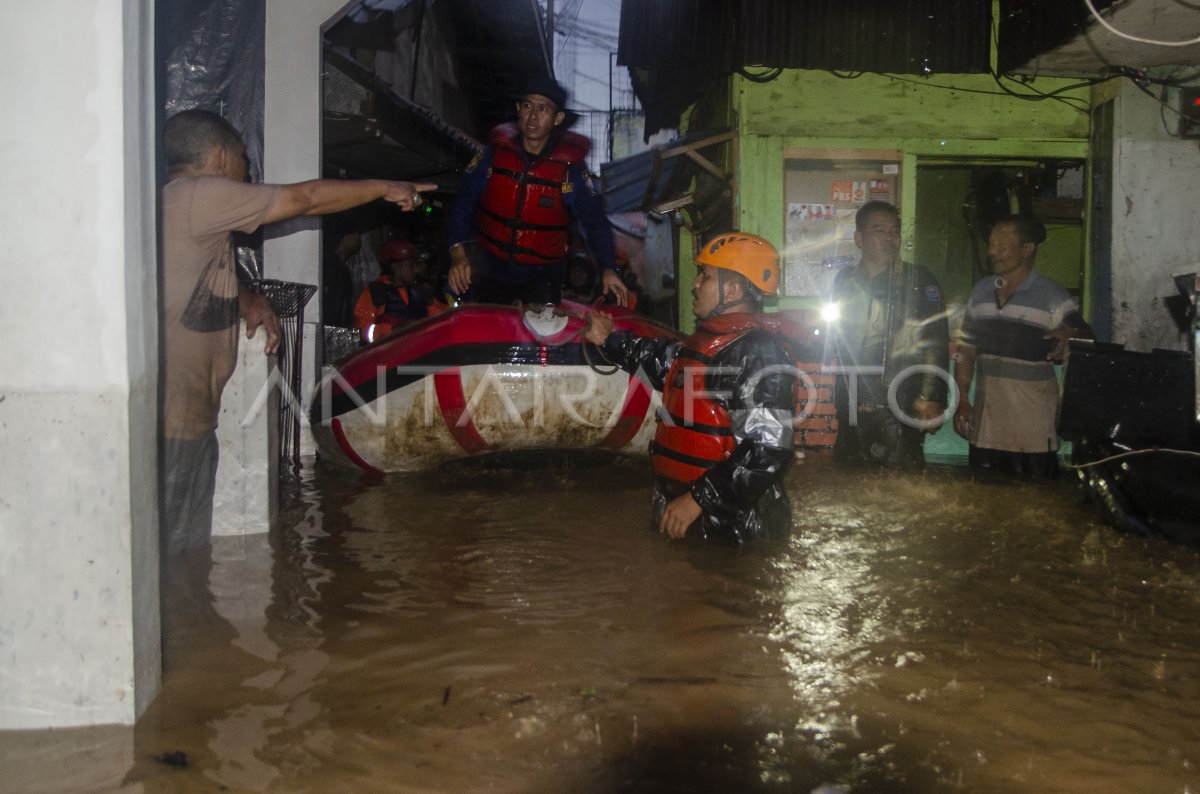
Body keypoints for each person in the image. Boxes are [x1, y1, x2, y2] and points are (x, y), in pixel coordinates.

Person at [161, 108, 433, 554]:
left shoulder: (185, 208)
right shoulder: (199, 194)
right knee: (174, 558)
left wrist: (249, 298)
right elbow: (304, 199)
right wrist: (386, 187)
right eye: (241, 155)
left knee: (187, 561)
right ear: (217, 156)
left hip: (190, 422)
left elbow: (194, 281)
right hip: (173, 424)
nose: (247, 168)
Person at [586, 232, 807, 545]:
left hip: (736, 527)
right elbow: (656, 358)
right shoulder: (706, 345)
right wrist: (609, 339)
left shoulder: (760, 353)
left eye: (705, 276)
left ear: (731, 289)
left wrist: (698, 499)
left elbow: (767, 448)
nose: (695, 284)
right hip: (691, 514)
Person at [447, 76, 628, 307]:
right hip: (489, 267)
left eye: (543, 109)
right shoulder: (492, 156)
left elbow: (594, 222)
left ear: (557, 118)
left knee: (543, 338)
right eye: (527, 105)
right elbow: (463, 202)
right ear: (518, 110)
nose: (533, 116)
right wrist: (458, 252)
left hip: (542, 275)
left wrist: (608, 268)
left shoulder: (571, 170)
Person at [952, 215, 1093, 477]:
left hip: (1034, 431)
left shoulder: (1051, 293)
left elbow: (1088, 336)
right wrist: (962, 401)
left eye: (1002, 244)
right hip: (986, 428)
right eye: (991, 244)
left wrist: (1069, 333)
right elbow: (966, 350)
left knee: (1034, 504)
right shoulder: (981, 291)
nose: (992, 251)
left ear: (1027, 248)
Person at [825, 201, 950, 467]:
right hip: (853, 402)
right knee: (848, 486)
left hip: (901, 402)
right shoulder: (844, 281)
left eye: (894, 230)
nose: (890, 237)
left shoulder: (918, 279)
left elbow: (935, 340)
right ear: (859, 238)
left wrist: (930, 395)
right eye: (879, 230)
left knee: (900, 490)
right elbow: (833, 337)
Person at [353, 238, 430, 343]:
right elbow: (360, 330)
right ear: (395, 266)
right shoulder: (377, 291)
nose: (415, 270)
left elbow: (439, 315)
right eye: (411, 265)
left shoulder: (419, 291)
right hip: (389, 355)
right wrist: (393, 331)